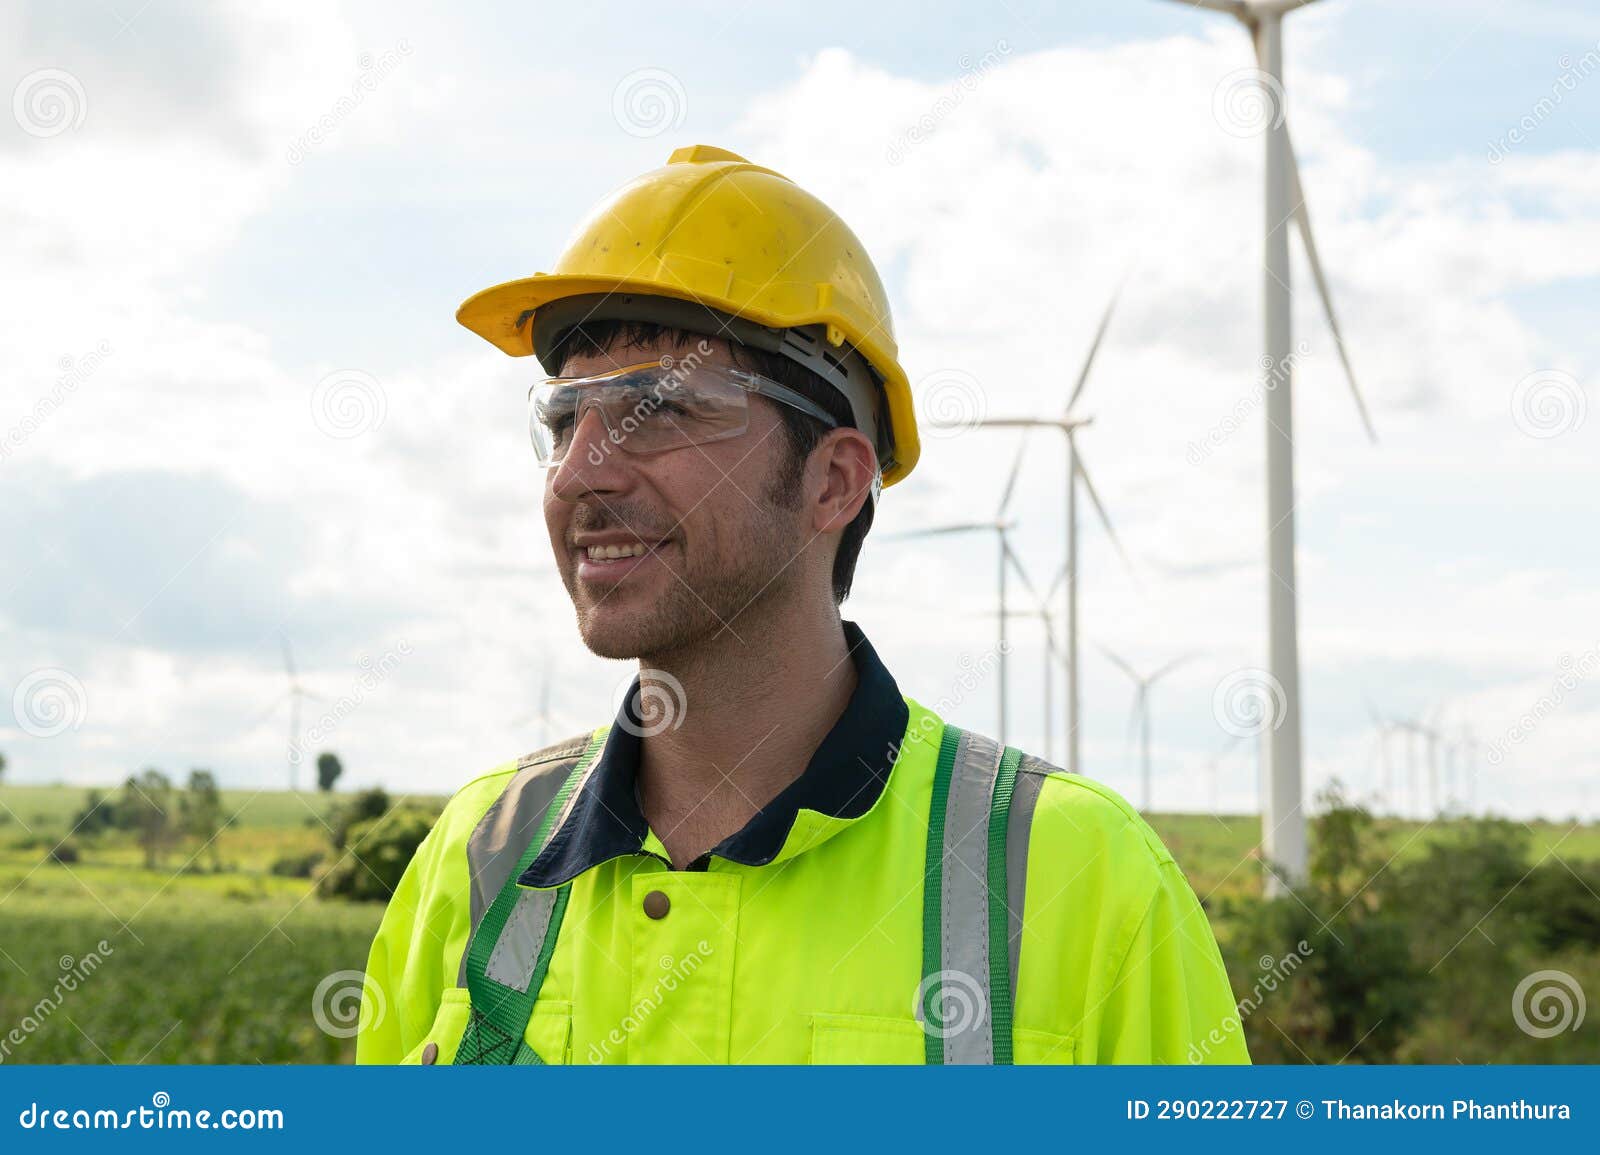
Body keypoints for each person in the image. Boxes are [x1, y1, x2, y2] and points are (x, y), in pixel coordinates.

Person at [355, 144, 1248, 1065]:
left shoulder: (1082, 881)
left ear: (832, 482)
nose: (581, 470)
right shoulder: (473, 859)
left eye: (656, 409)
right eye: (561, 419)